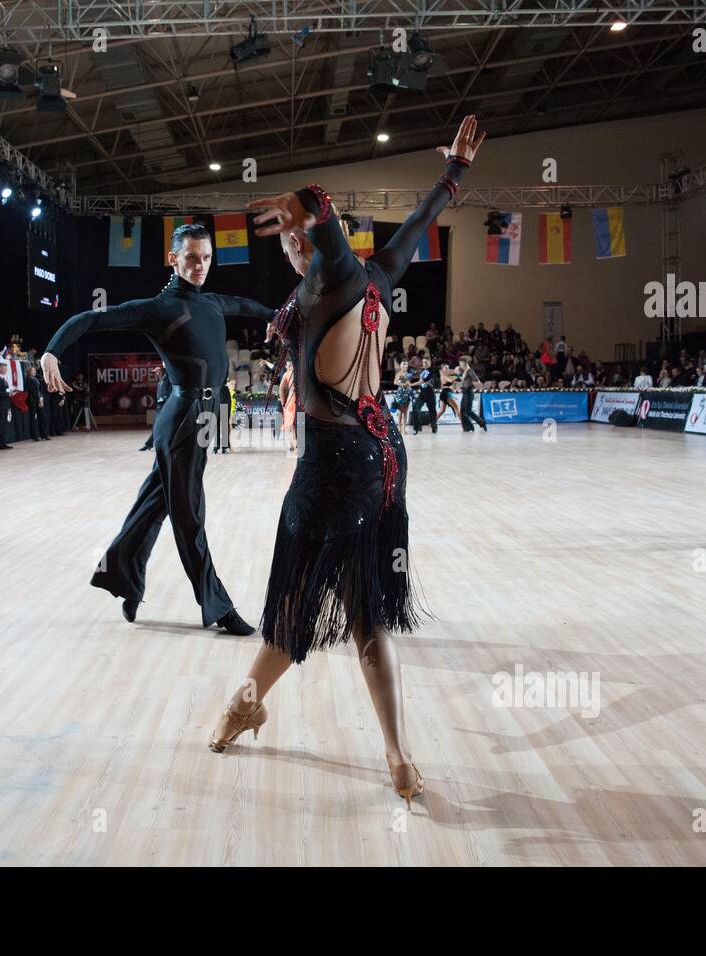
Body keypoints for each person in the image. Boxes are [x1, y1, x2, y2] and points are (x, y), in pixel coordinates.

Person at [208, 114, 486, 808]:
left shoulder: (333, 274)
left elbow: (317, 200)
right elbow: (424, 218)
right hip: (384, 452)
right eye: (294, 237)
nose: (293, 244)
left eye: (299, 237)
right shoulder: (381, 272)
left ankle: (243, 704)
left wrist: (300, 205)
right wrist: (454, 169)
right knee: (366, 617)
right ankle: (396, 755)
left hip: (335, 463)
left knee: (295, 608)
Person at [40, 222, 276, 634]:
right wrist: (51, 352)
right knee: (189, 516)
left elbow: (248, 305)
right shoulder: (160, 308)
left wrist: (280, 318)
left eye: (206, 258)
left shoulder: (213, 303)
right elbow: (90, 319)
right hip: (182, 421)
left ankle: (122, 577)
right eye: (191, 258)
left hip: (202, 420)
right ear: (173, 259)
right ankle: (218, 607)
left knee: (154, 505)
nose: (200, 265)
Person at [140, 368, 172, 452]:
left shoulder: (167, 379)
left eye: (157, 372)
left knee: (164, 426)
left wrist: (166, 400)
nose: (156, 374)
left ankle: (151, 444)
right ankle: (149, 444)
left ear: (161, 371)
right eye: (155, 372)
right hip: (160, 406)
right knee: (156, 425)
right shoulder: (160, 381)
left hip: (166, 405)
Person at [458, 357, 488, 432]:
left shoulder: (469, 371)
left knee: (468, 411)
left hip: (468, 392)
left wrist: (472, 385)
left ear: (464, 363)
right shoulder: (465, 371)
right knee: (462, 411)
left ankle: (482, 422)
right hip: (465, 392)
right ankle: (468, 427)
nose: (459, 365)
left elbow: (477, 380)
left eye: (460, 363)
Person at [409, 367, 439, 434]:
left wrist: (411, 384)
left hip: (430, 393)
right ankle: (417, 428)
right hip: (422, 394)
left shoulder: (431, 371)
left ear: (429, 362)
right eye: (424, 362)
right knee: (415, 407)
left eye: (426, 362)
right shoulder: (422, 371)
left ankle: (434, 427)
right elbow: (418, 378)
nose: (425, 363)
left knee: (432, 411)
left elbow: (422, 381)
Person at [0, 363, 13, 449]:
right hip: (0, 405)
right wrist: (8, 394)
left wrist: (9, 393)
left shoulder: (4, 379)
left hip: (5, 404)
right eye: (4, 368)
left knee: (4, 424)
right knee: (0, 424)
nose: (6, 370)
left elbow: (5, 390)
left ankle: (3, 442)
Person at [390, 360, 414, 430]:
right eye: (403, 364)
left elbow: (409, 383)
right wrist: (402, 384)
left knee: (406, 411)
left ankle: (404, 428)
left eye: (406, 364)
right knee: (400, 411)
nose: (405, 366)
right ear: (400, 366)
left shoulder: (409, 374)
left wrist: (409, 386)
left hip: (407, 392)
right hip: (400, 393)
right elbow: (395, 382)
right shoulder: (398, 374)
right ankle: (400, 428)